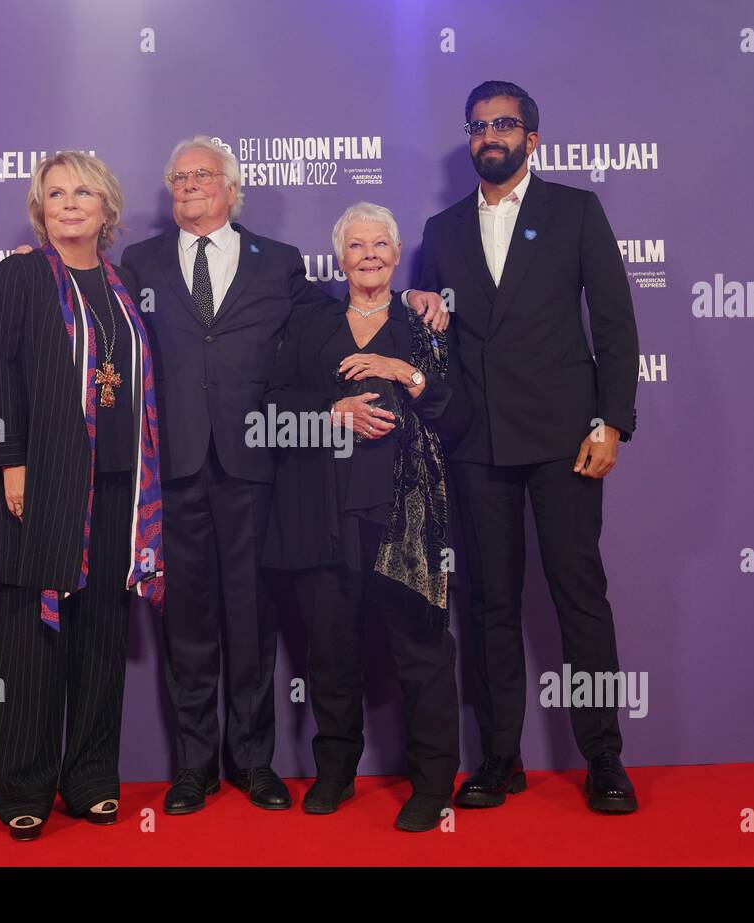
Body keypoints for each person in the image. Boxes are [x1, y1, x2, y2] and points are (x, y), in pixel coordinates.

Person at [118, 137, 447, 815]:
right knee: (188, 620)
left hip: (255, 465)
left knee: (251, 617)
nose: (187, 186)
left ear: (233, 189)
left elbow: (351, 306)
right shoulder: (139, 260)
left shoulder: (280, 263)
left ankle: (253, 762)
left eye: (202, 176)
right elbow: (100, 308)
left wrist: (417, 296)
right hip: (175, 466)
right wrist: (45, 265)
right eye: (177, 177)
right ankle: (193, 769)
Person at [414, 81, 641, 813]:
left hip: (567, 440)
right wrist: (423, 319)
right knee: (488, 606)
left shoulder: (575, 210)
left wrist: (612, 422)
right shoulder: (441, 229)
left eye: (504, 124)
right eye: (478, 125)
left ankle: (604, 756)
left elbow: (613, 324)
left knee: (581, 597)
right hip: (477, 444)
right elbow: (428, 341)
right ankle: (499, 758)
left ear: (532, 138)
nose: (491, 135)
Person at [0, 151, 164, 840]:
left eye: (83, 192)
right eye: (55, 193)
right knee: (31, 633)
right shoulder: (19, 276)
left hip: (120, 482)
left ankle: (89, 778)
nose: (69, 203)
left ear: (107, 208)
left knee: (102, 633)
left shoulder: (123, 283)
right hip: (45, 480)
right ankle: (24, 785)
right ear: (40, 208)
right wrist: (9, 465)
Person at [263, 202, 468, 831]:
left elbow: (456, 412)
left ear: (397, 252)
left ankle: (432, 784)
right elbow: (270, 405)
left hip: (404, 515)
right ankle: (334, 772)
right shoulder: (310, 321)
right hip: (324, 513)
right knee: (330, 649)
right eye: (357, 245)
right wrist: (333, 410)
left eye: (381, 243)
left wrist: (402, 371)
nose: (370, 255)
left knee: (422, 653)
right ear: (340, 256)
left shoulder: (424, 319)